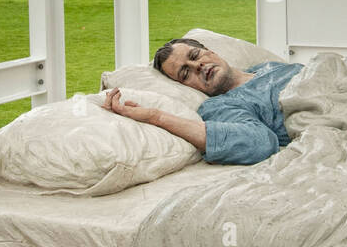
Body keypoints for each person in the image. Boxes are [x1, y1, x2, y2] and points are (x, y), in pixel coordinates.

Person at [105, 37, 303, 165]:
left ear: (211, 52)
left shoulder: (268, 67)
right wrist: (156, 117)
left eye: (194, 56)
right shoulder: (222, 106)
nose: (197, 66)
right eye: (185, 72)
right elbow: (260, 143)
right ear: (187, 86)